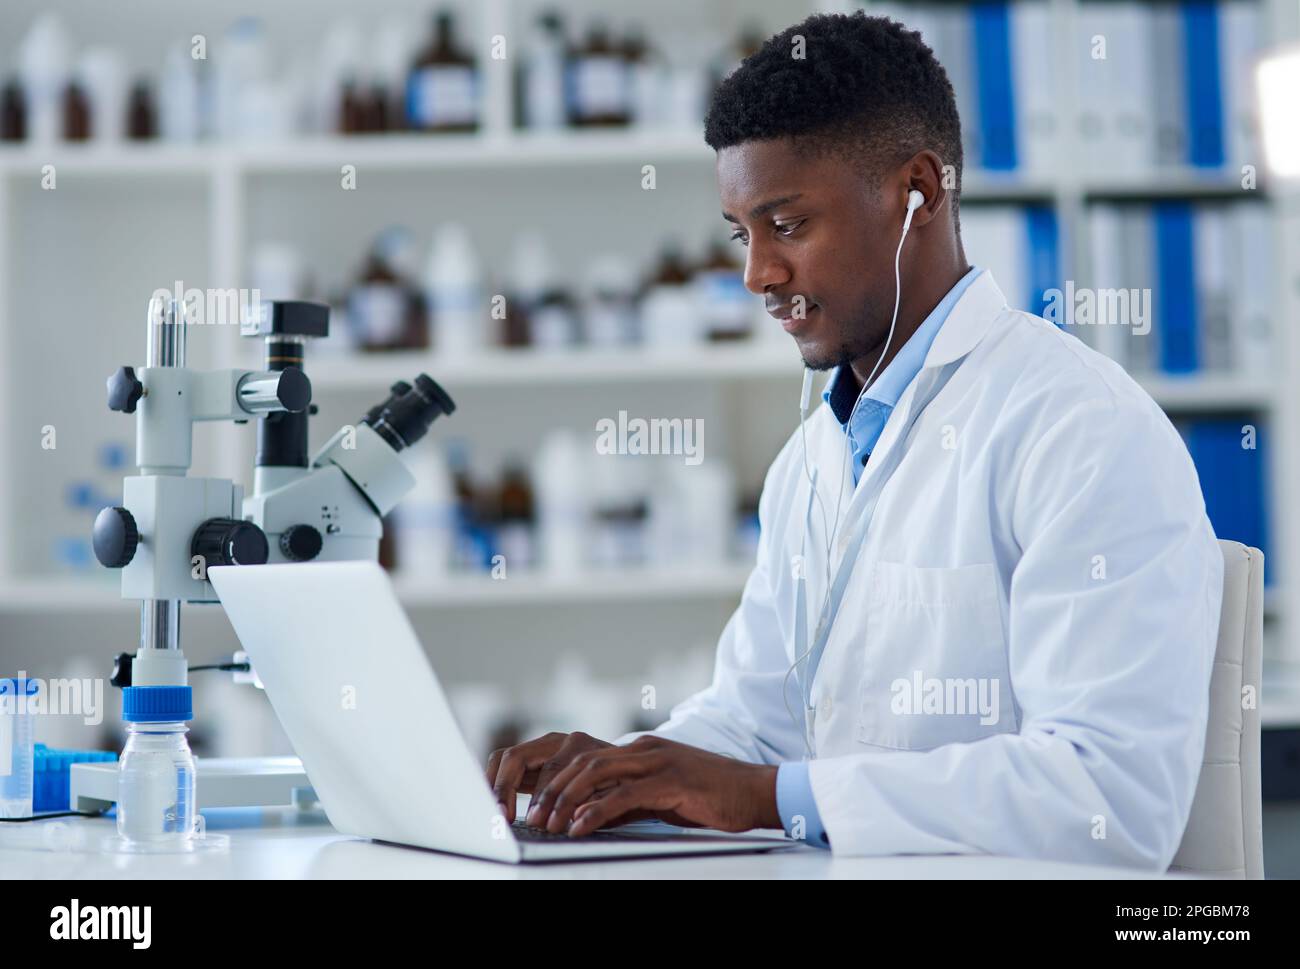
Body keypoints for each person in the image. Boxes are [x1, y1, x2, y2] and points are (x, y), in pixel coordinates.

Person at [486, 11, 1223, 869]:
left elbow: (1109, 798)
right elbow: (752, 720)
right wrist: (612, 779)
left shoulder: (1080, 430)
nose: (758, 273)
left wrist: (767, 797)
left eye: (787, 224)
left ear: (918, 190)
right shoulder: (812, 459)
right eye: (742, 233)